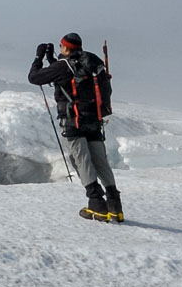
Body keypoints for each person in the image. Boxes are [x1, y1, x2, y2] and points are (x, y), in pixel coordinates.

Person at [28, 33, 122, 222]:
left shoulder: (63, 66)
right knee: (100, 161)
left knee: (82, 161)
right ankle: (115, 206)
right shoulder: (91, 61)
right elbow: (71, 75)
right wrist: (52, 60)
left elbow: (34, 77)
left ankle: (97, 205)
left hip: (74, 121)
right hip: (94, 120)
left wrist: (38, 58)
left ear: (65, 48)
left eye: (61, 47)